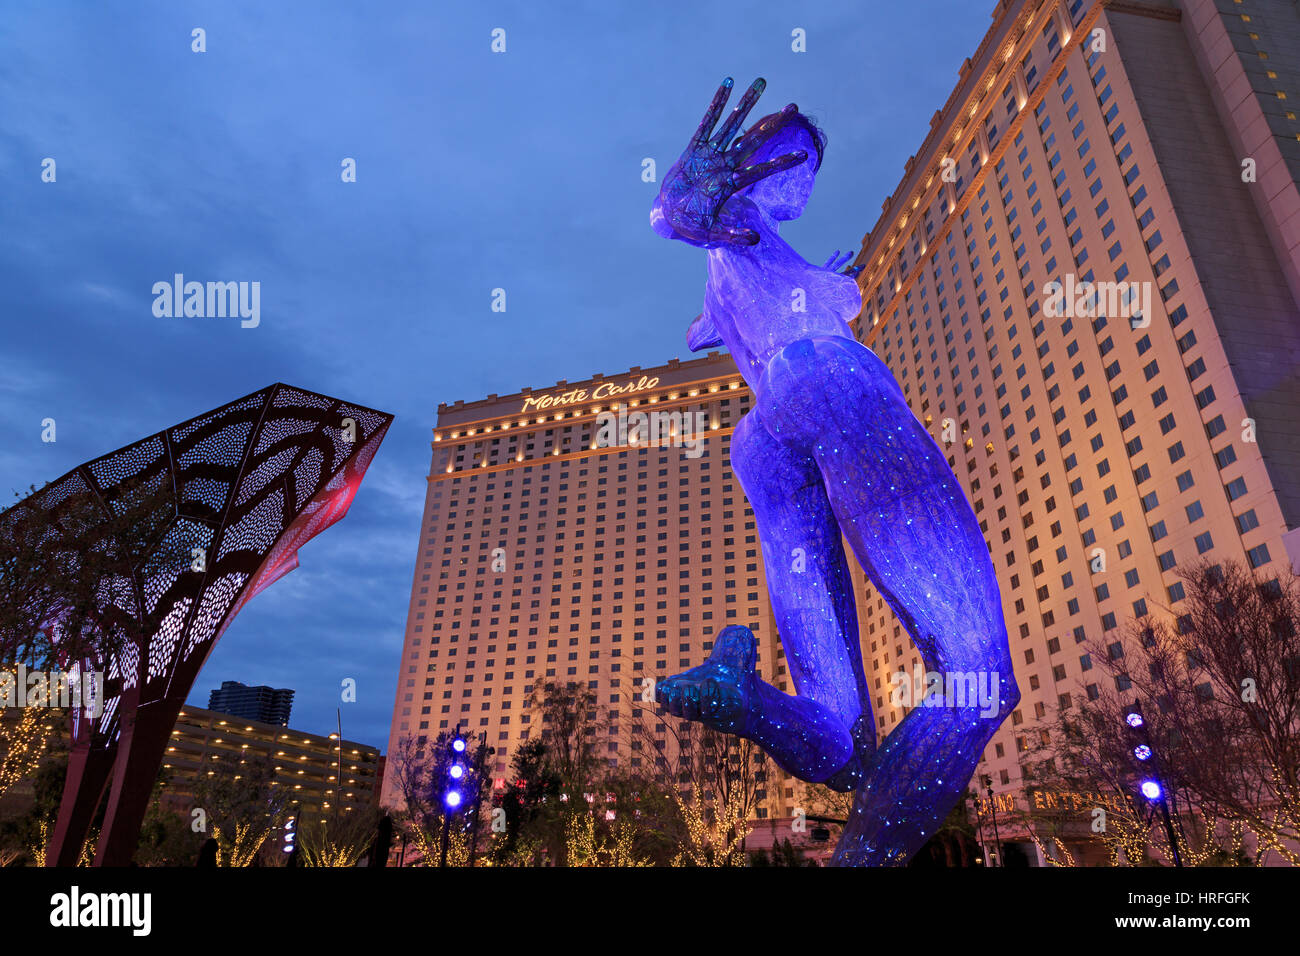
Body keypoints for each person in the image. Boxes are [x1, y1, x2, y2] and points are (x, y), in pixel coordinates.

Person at [650, 78, 1019, 865]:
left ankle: (743, 696)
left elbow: (704, 320)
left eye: (810, 165)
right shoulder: (739, 224)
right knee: (979, 676)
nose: (802, 177)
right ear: (751, 165)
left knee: (844, 742)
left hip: (767, 441)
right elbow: (689, 218)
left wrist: (813, 274)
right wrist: (682, 201)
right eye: (792, 158)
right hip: (834, 388)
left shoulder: (754, 266)